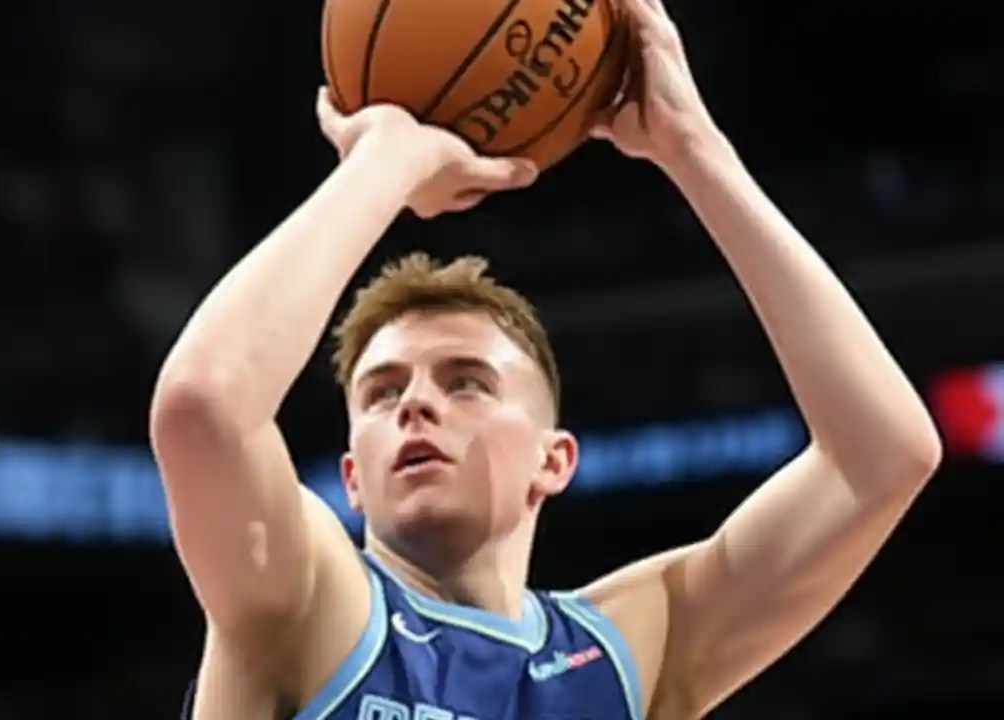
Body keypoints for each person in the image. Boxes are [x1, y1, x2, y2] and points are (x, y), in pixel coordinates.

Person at [149, 0, 943, 717]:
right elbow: (202, 408)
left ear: (554, 460)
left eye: (467, 382)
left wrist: (695, 148)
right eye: (382, 394)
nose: (416, 404)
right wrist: (386, 162)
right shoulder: (306, 606)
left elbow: (882, 457)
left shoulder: (627, 652)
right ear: (352, 475)